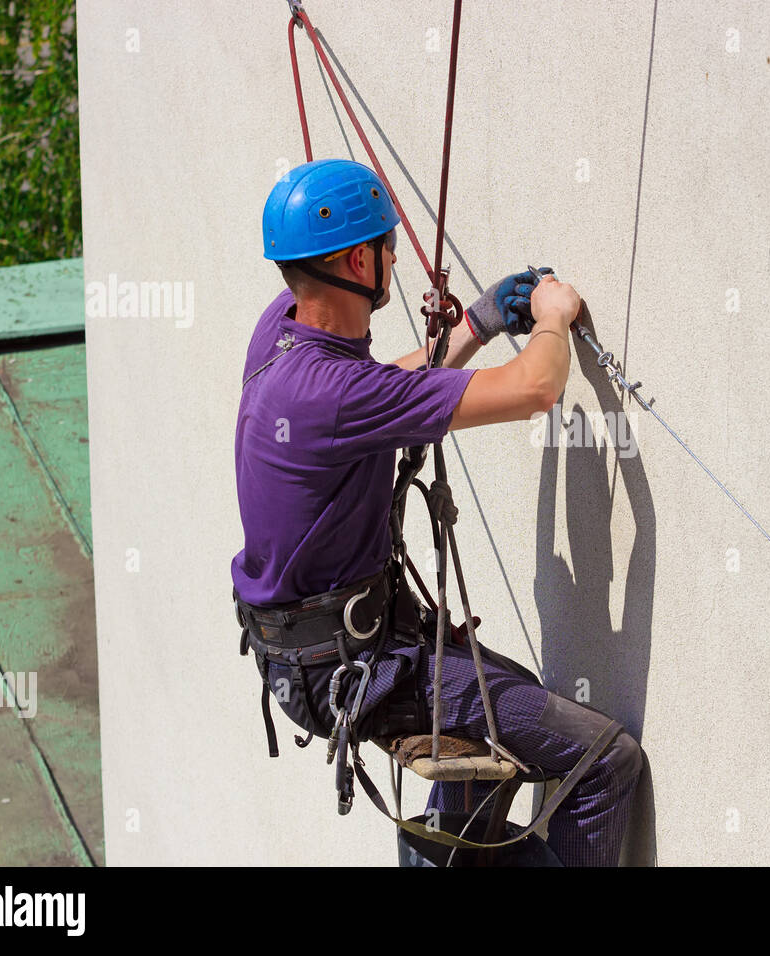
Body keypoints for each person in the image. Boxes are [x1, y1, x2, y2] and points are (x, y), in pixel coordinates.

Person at [231, 158, 642, 866]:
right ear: (358, 260)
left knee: (495, 724)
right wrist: (552, 317)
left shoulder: (284, 333)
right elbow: (536, 388)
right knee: (601, 760)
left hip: (317, 656)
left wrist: (478, 323)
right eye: (389, 245)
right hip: (364, 667)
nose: (396, 256)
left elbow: (383, 387)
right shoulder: (332, 392)